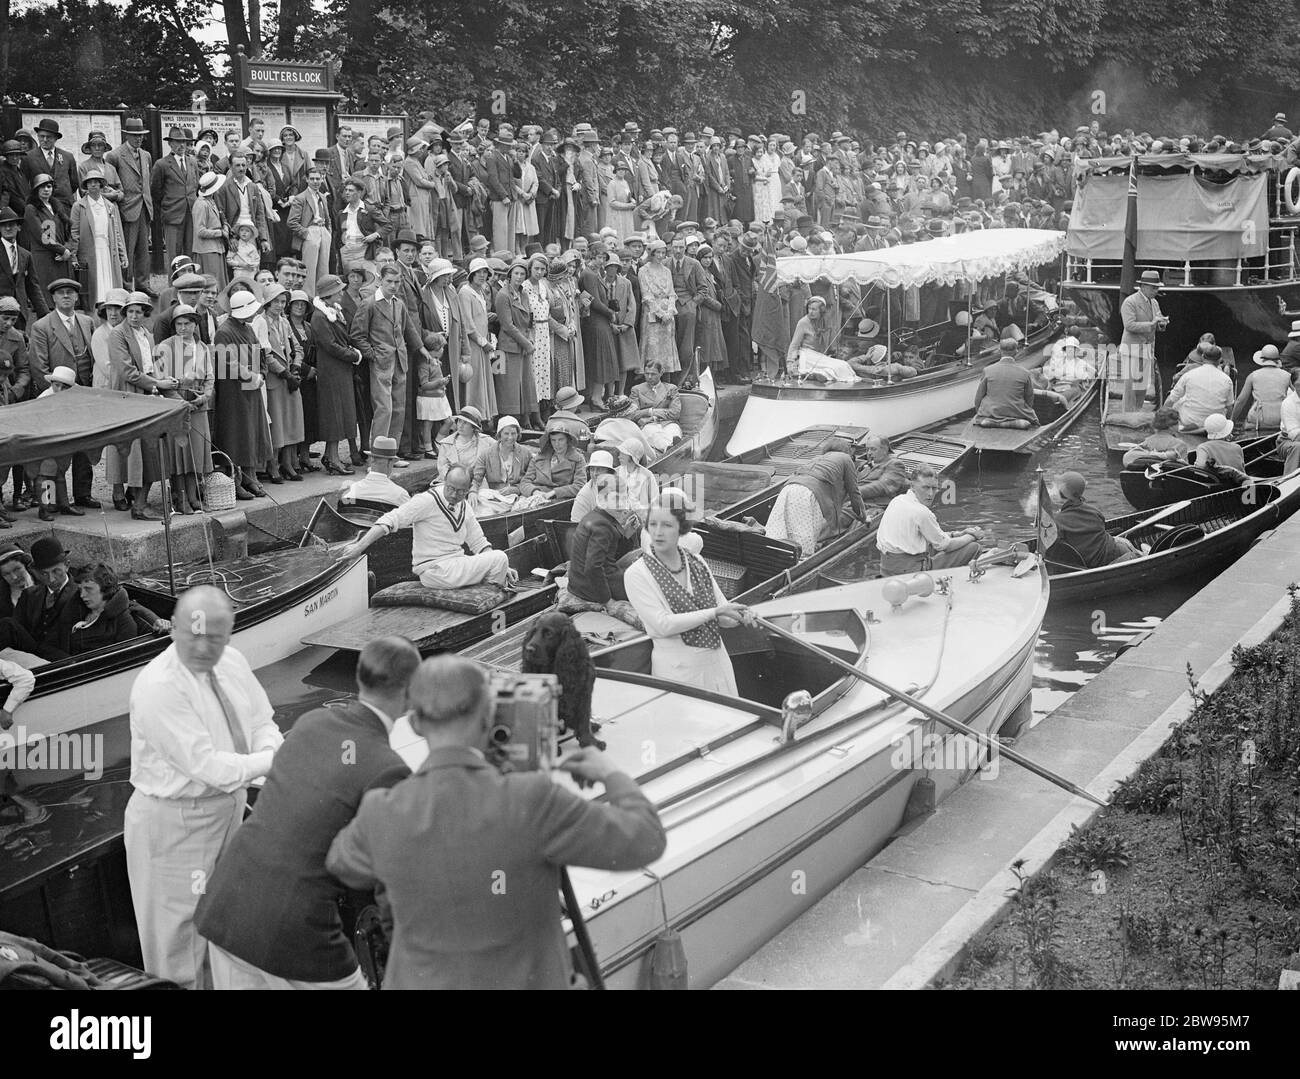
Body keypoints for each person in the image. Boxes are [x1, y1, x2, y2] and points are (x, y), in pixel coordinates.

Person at [325, 653, 664, 988]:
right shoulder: (531, 799)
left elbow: (343, 863)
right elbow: (645, 839)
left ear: (414, 723)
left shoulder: (382, 810)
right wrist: (611, 774)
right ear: (488, 717)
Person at [194, 636, 419, 990]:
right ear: (411, 693)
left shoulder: (311, 723)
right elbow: (393, 881)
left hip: (225, 908)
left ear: (359, 679)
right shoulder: (390, 769)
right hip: (296, 934)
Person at [124, 585, 283, 990]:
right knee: (178, 944)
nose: (202, 647)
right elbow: (206, 766)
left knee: (230, 928)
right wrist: (278, 762)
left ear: (230, 634)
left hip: (228, 810)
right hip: (177, 823)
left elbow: (263, 721)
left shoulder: (232, 662)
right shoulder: (157, 686)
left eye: (214, 637)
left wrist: (270, 749)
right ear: (173, 626)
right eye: (192, 635)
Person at [625, 490, 755, 694]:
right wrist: (714, 613)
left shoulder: (698, 562)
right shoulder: (636, 574)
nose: (658, 532)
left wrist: (740, 616)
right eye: (653, 524)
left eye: (667, 525)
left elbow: (723, 614)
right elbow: (663, 625)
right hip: (679, 675)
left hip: (717, 664)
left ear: (681, 529)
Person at [342, 465, 515, 590]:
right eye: (450, 488)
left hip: (454, 566)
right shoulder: (427, 500)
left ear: (468, 489)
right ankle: (491, 595)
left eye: (461, 491)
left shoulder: (465, 506)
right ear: (444, 482)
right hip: (434, 571)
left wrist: (501, 567)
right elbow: (390, 519)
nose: (455, 495)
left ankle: (487, 596)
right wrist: (359, 547)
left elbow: (479, 543)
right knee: (499, 557)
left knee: (499, 559)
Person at [352, 262, 434, 461]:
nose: (393, 285)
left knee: (398, 409)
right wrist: (373, 354)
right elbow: (357, 335)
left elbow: (410, 331)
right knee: (384, 409)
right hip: (381, 363)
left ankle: (391, 454)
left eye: (397, 282)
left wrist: (422, 349)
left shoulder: (399, 303)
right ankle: (377, 458)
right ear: (380, 280)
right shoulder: (369, 304)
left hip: (400, 361)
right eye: (389, 281)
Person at [560, 471, 644, 629]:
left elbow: (608, 553)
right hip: (590, 588)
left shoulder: (596, 517)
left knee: (637, 558)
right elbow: (593, 567)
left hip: (581, 583)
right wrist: (608, 601)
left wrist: (625, 534)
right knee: (644, 581)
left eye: (624, 497)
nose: (622, 503)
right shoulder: (602, 526)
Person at [152, 303, 214, 514]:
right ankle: (179, 498)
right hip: (176, 406)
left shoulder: (203, 347)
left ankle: (193, 494)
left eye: (187, 323)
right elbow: (161, 380)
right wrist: (181, 402)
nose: (183, 328)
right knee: (179, 452)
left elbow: (210, 376)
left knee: (196, 452)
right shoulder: (163, 347)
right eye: (179, 324)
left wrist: (205, 396)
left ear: (195, 324)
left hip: (198, 404)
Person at [212, 290, 272, 500]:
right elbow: (229, 363)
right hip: (234, 391)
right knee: (236, 435)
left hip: (252, 388)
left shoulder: (248, 328)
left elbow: (260, 353)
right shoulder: (224, 332)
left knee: (253, 432)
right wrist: (253, 377)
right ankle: (235, 481)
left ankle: (251, 477)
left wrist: (262, 373)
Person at [765, 439, 867, 558]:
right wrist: (864, 517)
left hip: (788, 489)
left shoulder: (817, 458)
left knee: (781, 531)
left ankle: (775, 557)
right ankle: (800, 564)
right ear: (847, 451)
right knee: (805, 537)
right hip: (809, 493)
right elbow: (854, 492)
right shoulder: (846, 458)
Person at [875, 467, 986, 575]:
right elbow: (946, 546)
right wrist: (973, 536)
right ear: (912, 486)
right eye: (926, 488)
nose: (930, 494)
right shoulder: (921, 512)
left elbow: (934, 538)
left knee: (935, 546)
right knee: (973, 547)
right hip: (910, 572)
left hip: (887, 568)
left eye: (934, 488)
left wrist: (958, 534)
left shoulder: (897, 500)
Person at [0, 536, 76, 661]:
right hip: (31, 653)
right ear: (36, 572)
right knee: (7, 624)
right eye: (44, 574)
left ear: (67, 565)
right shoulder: (29, 594)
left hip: (64, 659)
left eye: (56, 571)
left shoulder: (81, 595)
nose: (51, 579)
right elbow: (16, 630)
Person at [1052, 471, 1140, 567]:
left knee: (1125, 545)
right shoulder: (1094, 511)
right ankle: (1143, 553)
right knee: (1124, 543)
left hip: (1106, 559)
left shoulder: (1058, 521)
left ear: (1062, 491)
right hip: (1111, 552)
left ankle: (1141, 554)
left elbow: (1055, 548)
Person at [105, 118, 153, 290]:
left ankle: (143, 284)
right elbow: (109, 184)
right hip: (126, 209)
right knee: (126, 250)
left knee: (143, 250)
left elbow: (147, 181)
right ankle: (126, 286)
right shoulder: (115, 155)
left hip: (144, 208)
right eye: (134, 135)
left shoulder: (146, 155)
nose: (138, 139)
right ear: (126, 135)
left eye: (140, 135)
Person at [68, 170, 128, 305]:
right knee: (92, 287)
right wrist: (73, 255)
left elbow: (116, 232)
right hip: (89, 251)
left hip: (107, 249)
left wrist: (122, 253)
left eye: (96, 182)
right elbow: (74, 232)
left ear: (101, 185)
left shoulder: (109, 206)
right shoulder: (79, 206)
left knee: (109, 284)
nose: (93, 185)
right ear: (86, 186)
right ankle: (94, 311)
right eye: (90, 183)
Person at [57, 562, 137, 656]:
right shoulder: (74, 610)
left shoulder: (124, 623)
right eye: (80, 590)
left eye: (88, 589)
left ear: (105, 588)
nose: (82, 595)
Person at [972, 338, 1039, 428]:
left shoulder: (988, 370)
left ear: (1000, 350)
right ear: (1016, 351)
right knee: (1031, 420)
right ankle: (1013, 422)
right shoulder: (1025, 373)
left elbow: (979, 397)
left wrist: (980, 413)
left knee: (984, 419)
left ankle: (994, 422)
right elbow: (1029, 398)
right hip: (1016, 413)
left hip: (992, 413)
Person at [1164, 345, 1234, 431]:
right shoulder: (1227, 380)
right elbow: (1229, 408)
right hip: (1215, 422)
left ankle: (1178, 427)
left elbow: (1170, 400)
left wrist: (1161, 418)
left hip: (1190, 421)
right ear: (1219, 360)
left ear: (1203, 357)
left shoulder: (1189, 375)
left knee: (1177, 401)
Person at [520, 421, 587, 502]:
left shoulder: (578, 459)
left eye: (561, 440)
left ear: (567, 440)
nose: (557, 444)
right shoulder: (538, 458)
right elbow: (524, 482)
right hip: (535, 497)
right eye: (553, 440)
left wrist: (554, 492)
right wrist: (535, 491)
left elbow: (580, 485)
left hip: (560, 499)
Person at [1231, 345, 1291, 430]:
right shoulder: (1287, 376)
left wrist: (1231, 421)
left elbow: (1241, 401)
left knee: (1245, 423)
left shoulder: (1253, 376)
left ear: (1262, 360)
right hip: (1281, 418)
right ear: (1277, 360)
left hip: (1259, 420)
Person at [341, 435, 409, 508]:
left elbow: (344, 510)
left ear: (371, 460)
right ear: (390, 463)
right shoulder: (400, 495)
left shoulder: (352, 490)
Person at [1121, 407, 1189, 468]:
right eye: (1178, 422)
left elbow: (1127, 459)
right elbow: (1186, 471)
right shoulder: (1180, 445)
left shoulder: (1146, 442)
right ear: (1172, 426)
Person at [856, 436, 911, 504]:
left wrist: (855, 492)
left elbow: (883, 486)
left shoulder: (895, 464)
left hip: (873, 506)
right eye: (867, 449)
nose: (869, 453)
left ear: (885, 450)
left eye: (873, 449)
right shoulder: (864, 465)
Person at [1191, 413, 1247, 478]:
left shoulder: (1203, 448)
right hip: (1238, 483)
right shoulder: (1237, 447)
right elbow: (1242, 471)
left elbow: (1199, 471)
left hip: (1218, 486)